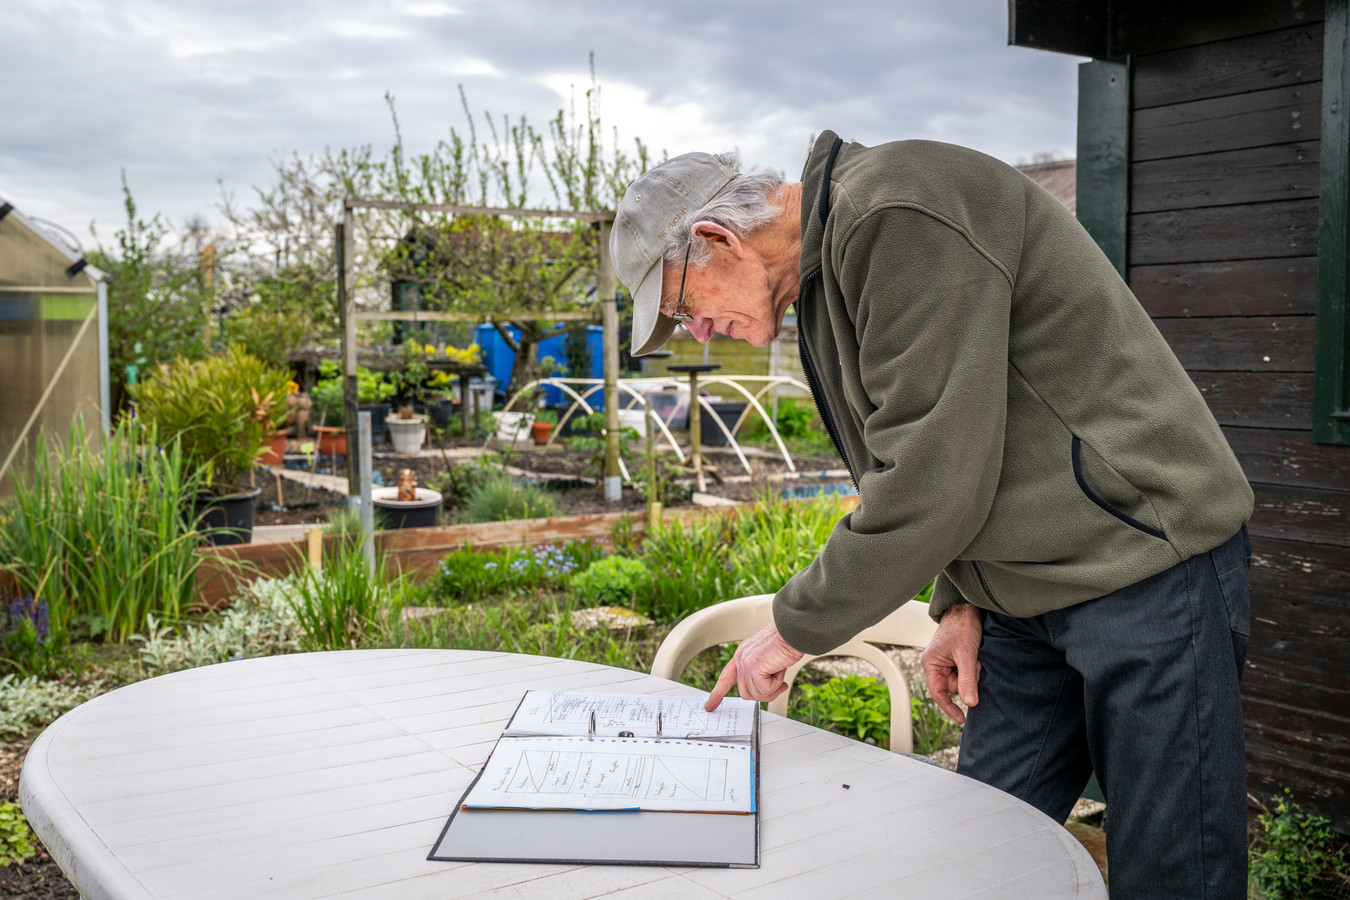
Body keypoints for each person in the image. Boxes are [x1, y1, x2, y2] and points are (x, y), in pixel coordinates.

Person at [610, 131, 1254, 899]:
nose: (698, 332)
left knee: (1172, 866)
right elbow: (924, 449)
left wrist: (793, 628)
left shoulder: (894, 212)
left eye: (685, 307)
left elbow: (932, 475)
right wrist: (962, 597)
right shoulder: (819, 276)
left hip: (1141, 560)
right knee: (982, 849)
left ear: (718, 239)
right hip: (1023, 593)